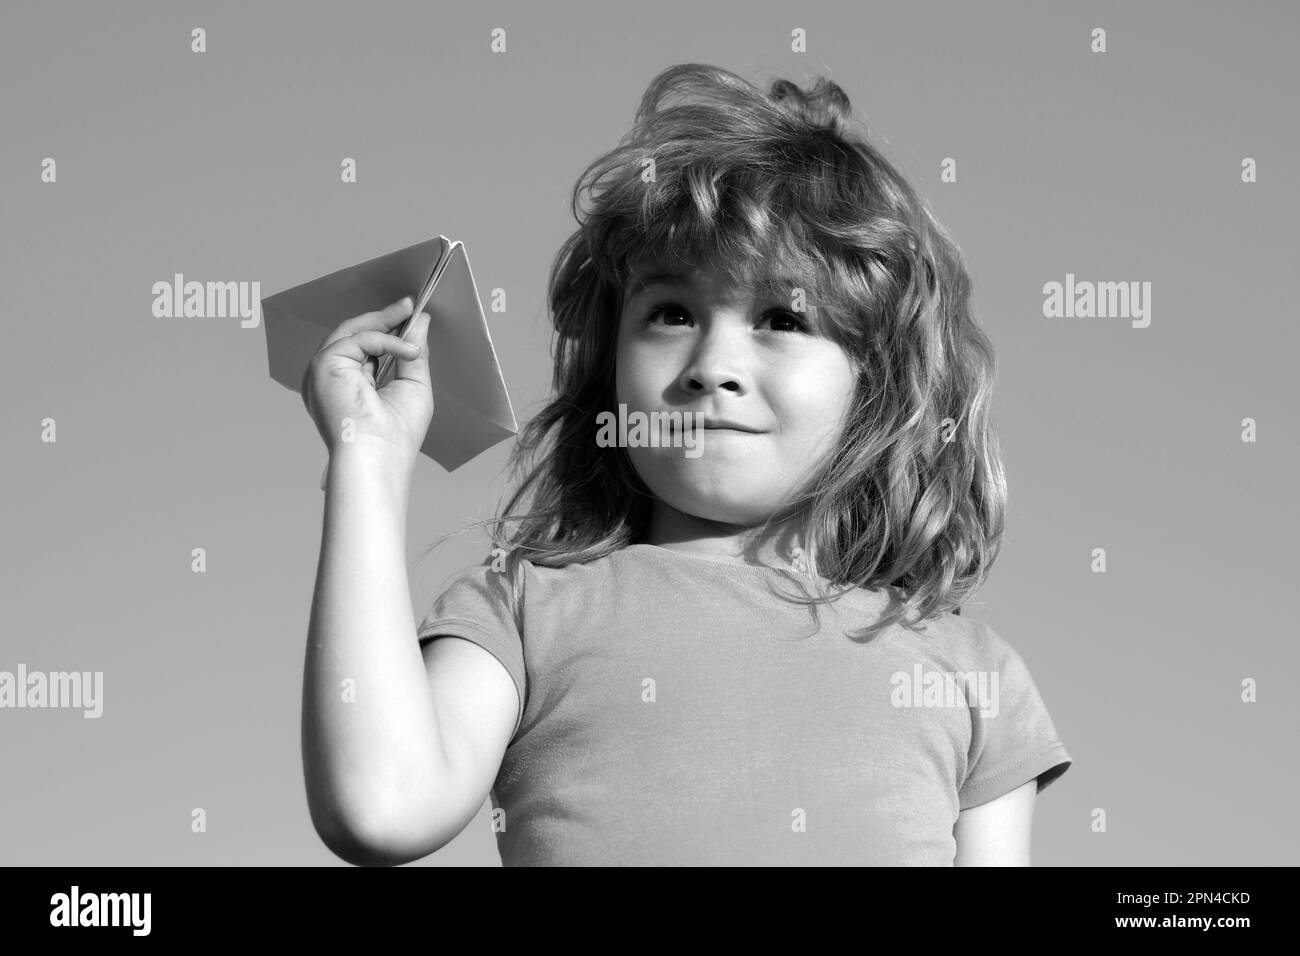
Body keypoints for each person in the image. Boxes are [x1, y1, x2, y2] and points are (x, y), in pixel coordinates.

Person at [300, 63, 1072, 867]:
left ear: (875, 386)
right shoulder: (522, 611)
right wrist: (370, 458)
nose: (713, 364)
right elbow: (379, 807)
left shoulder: (973, 674)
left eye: (782, 317)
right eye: (671, 313)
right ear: (609, 370)